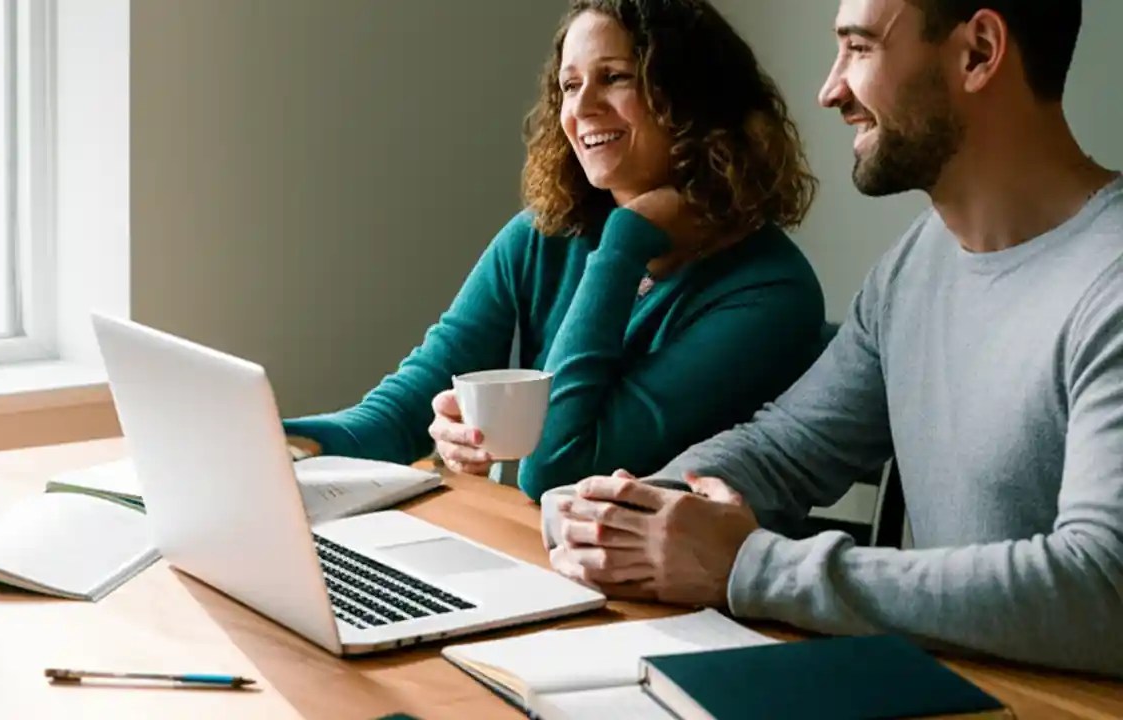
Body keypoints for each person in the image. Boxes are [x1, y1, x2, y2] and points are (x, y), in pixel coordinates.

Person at [547, 0, 1123, 677]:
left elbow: (1102, 590)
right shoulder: (915, 266)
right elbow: (784, 447)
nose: (830, 90)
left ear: (979, 52)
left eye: (860, 48)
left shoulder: (1107, 282)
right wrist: (630, 510)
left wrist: (749, 564)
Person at [284, 0, 825, 501]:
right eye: (569, 85)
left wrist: (627, 238)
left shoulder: (770, 294)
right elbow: (400, 413)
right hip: (545, 557)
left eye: (613, 78)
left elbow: (560, 471)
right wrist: (276, 443)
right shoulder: (542, 237)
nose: (582, 108)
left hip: (679, 593)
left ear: (691, 98)